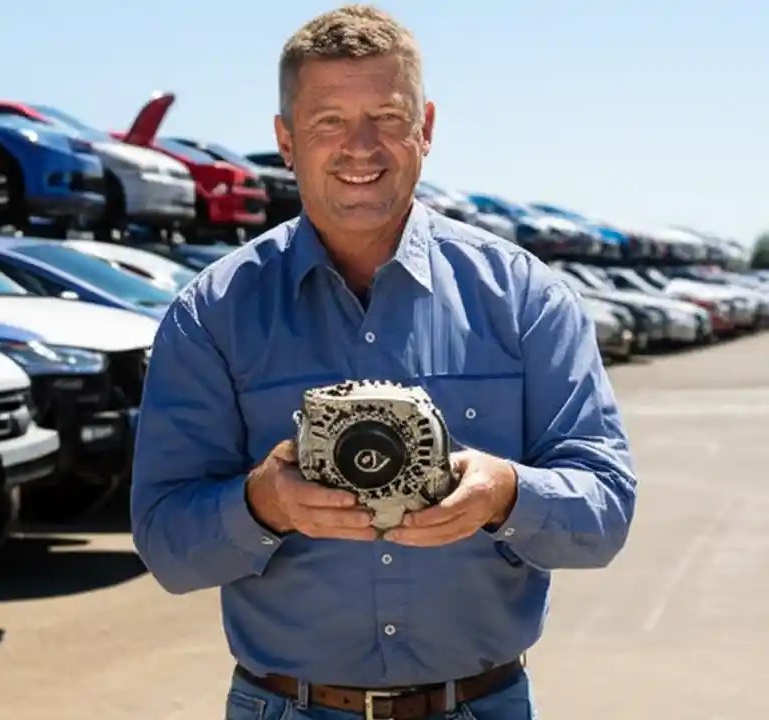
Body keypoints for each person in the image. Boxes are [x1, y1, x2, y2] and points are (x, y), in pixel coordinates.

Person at [128, 5, 638, 719]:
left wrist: (504, 493)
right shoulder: (213, 313)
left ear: (426, 127)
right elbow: (166, 544)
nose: (360, 147)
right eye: (328, 120)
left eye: (388, 117)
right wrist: (263, 504)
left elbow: (608, 509)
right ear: (285, 138)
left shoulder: (524, 298)